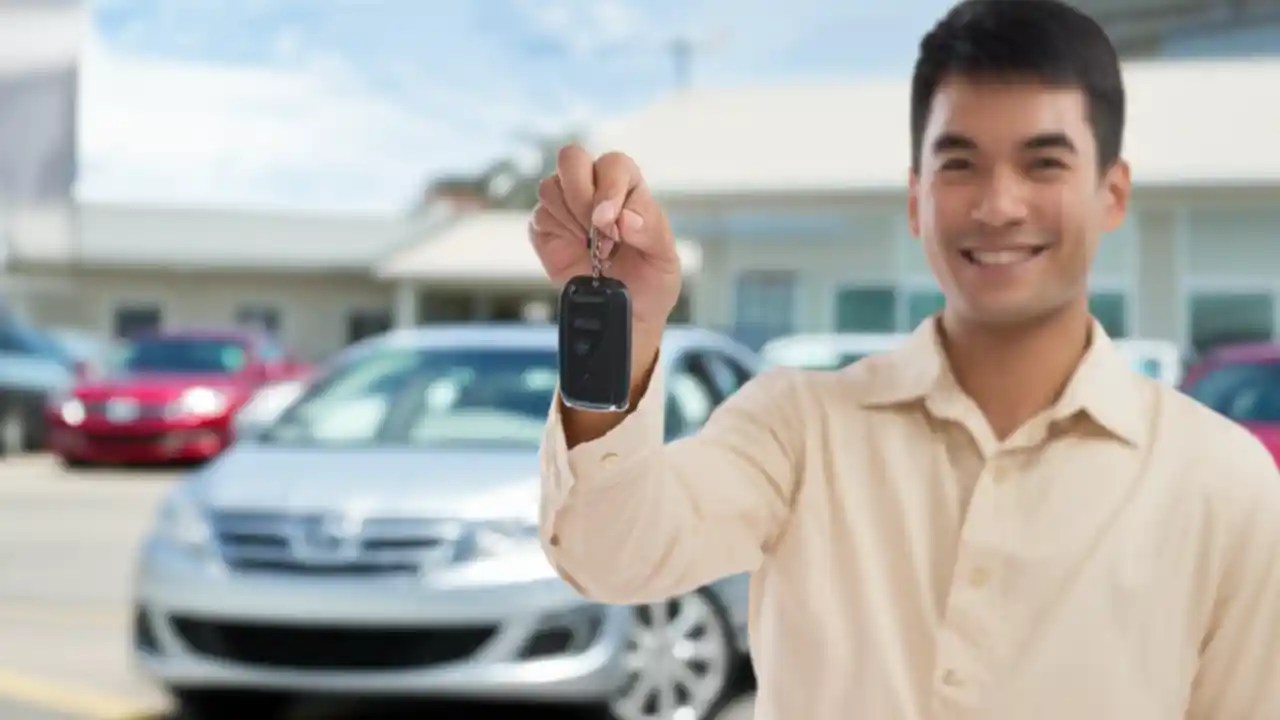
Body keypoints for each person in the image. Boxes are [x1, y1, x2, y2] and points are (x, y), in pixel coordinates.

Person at [527, 1, 1280, 718]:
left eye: (1043, 164)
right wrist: (622, 327)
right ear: (916, 198)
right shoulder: (797, 427)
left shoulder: (1223, 481)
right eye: (960, 165)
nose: (998, 205)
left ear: (1111, 193)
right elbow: (610, 555)